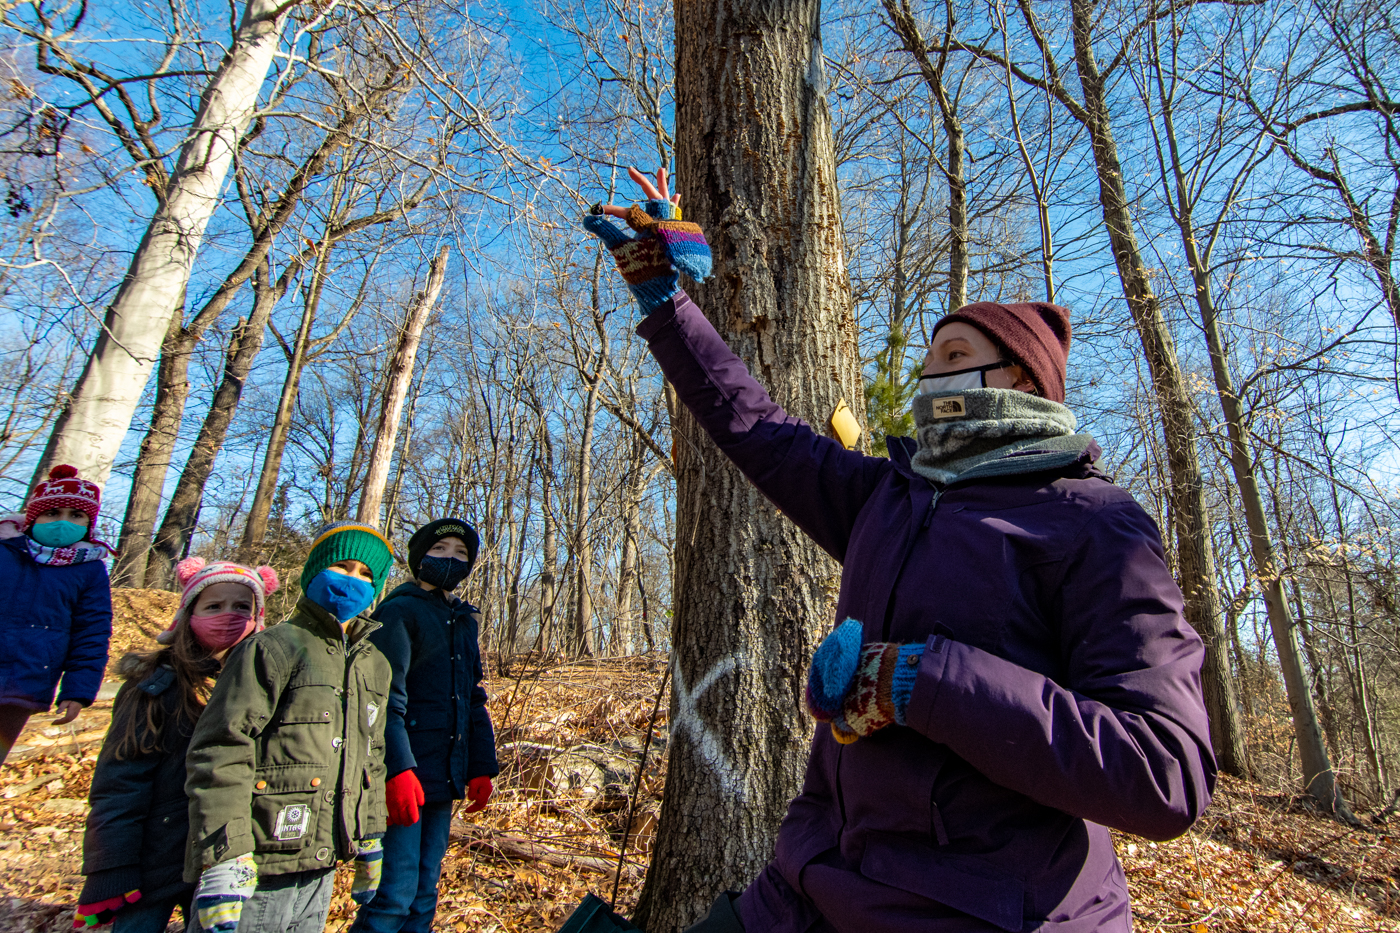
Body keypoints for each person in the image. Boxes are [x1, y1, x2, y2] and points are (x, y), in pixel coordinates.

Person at [580, 167, 1216, 932]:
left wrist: (920, 682)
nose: (927, 371)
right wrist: (664, 300)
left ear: (1016, 375)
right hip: (810, 883)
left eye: (951, 353)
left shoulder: (1096, 523)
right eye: (930, 355)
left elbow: (1164, 770)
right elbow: (757, 427)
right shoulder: (890, 495)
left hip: (984, 909)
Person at [183, 521, 397, 933]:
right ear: (314, 570)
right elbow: (221, 748)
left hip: (323, 860)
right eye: (343, 566)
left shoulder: (375, 664)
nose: (352, 580)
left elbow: (372, 757)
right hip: (258, 864)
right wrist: (226, 854)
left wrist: (370, 834)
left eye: (365, 574)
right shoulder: (272, 647)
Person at [76, 558, 279, 932]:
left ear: (257, 618)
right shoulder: (153, 688)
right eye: (214, 606)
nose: (228, 615)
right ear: (190, 612)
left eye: (241, 607)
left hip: (219, 861)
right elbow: (119, 784)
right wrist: (111, 867)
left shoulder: (265, 687)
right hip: (151, 863)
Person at [350, 518, 499, 933]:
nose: (450, 559)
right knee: (391, 896)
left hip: (443, 776)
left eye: (461, 553)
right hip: (403, 777)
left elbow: (472, 697)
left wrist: (480, 766)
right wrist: (396, 769)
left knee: (424, 894)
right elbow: (381, 700)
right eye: (440, 550)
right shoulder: (397, 612)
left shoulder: (464, 620)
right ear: (418, 559)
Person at [0, 465, 114, 762]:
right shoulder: (4, 552)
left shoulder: (90, 570)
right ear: (34, 517)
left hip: (25, 684)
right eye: (53, 513)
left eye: (75, 516)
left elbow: (92, 633)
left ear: (88, 523)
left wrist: (77, 690)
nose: (63, 522)